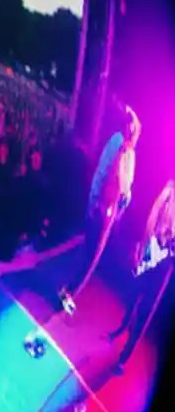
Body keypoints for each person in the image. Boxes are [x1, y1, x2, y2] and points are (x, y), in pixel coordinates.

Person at [61, 107, 141, 315]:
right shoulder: (117, 141)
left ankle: (70, 290)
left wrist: (123, 204)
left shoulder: (131, 153)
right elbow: (102, 170)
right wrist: (93, 200)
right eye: (132, 124)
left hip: (112, 209)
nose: (134, 129)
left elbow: (127, 186)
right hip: (101, 205)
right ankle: (67, 290)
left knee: (93, 253)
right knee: (89, 250)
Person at [107, 180, 175, 374]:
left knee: (145, 310)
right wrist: (144, 244)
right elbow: (152, 219)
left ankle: (124, 356)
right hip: (150, 251)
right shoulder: (168, 191)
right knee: (132, 295)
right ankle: (121, 329)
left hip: (164, 266)